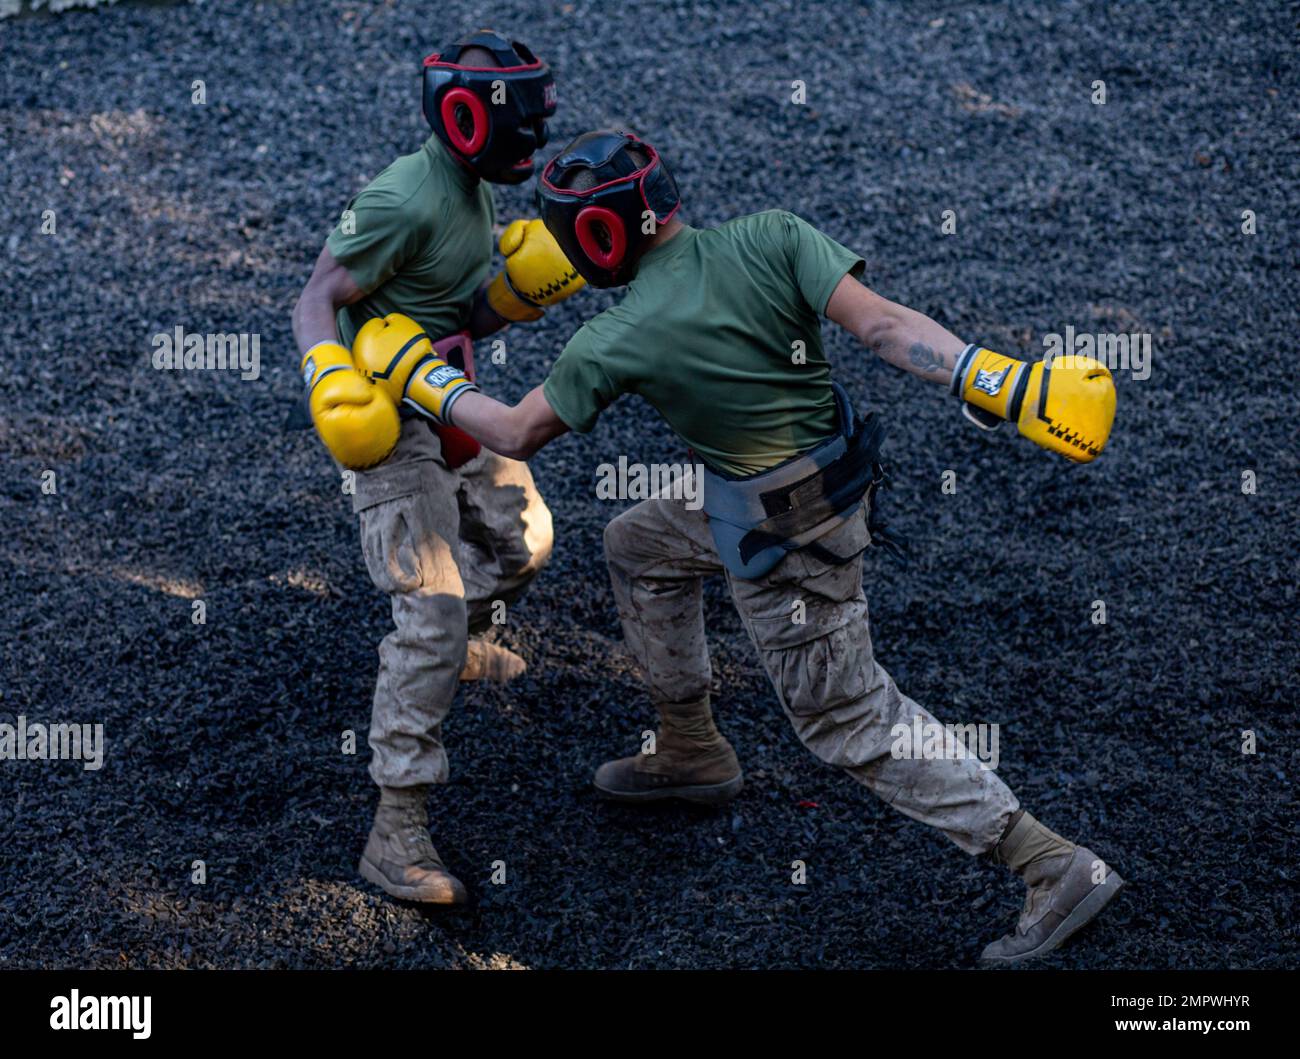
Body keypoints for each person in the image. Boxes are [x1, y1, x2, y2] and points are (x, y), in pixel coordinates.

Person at [353, 128, 1123, 963]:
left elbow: (510, 428)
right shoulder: (775, 233)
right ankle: (690, 745)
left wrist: (418, 372)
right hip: (805, 486)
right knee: (639, 544)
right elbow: (887, 328)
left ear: (598, 240)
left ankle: (1047, 862)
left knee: (846, 714)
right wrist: (998, 379)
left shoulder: (618, 336)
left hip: (784, 540)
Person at [290, 31, 584, 905]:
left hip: (449, 392)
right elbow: (315, 297)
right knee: (431, 606)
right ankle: (395, 830)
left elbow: (450, 309)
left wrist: (509, 297)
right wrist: (330, 376)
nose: (534, 143)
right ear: (466, 120)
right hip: (389, 420)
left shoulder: (473, 189)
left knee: (526, 540)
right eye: (523, 124)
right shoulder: (402, 198)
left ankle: (460, 647)